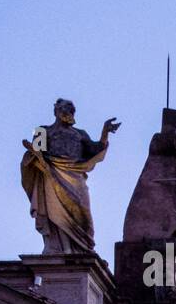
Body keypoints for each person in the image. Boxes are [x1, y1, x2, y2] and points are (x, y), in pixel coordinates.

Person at [20, 98, 119, 253]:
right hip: (52, 176)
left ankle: (83, 248)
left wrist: (105, 132)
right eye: (65, 108)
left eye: (72, 109)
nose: (69, 112)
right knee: (54, 212)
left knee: (83, 216)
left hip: (75, 177)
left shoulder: (80, 133)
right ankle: (59, 248)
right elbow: (34, 156)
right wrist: (35, 155)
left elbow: (96, 149)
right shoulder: (42, 131)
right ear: (56, 111)